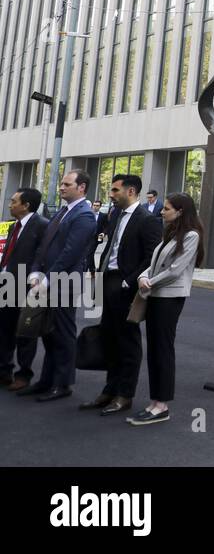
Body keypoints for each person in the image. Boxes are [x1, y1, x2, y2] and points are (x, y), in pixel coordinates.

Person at [82, 173, 162, 417]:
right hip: (108, 280)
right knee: (109, 336)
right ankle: (109, 389)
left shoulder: (147, 220)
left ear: (131, 191)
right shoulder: (115, 215)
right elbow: (109, 246)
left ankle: (124, 394)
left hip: (127, 285)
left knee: (127, 340)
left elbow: (152, 257)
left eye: (116, 190)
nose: (111, 195)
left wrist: (129, 281)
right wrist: (97, 269)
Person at [17, 170, 97, 402]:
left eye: (66, 184)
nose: (61, 187)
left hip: (64, 284)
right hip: (48, 280)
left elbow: (69, 253)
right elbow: (45, 245)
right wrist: (35, 271)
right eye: (61, 184)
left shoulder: (84, 215)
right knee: (48, 333)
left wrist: (46, 279)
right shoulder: (63, 211)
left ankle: (62, 384)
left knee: (63, 334)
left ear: (81, 187)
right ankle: (46, 380)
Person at [130, 193, 203, 425]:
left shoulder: (191, 236)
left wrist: (149, 282)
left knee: (162, 348)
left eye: (167, 209)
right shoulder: (170, 233)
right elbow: (153, 264)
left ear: (180, 211)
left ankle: (161, 405)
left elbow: (175, 270)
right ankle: (155, 402)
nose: (162, 211)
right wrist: (143, 276)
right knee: (154, 348)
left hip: (169, 298)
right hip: (155, 295)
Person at [0, 188, 45, 391]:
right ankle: (4, 370)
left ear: (26, 205)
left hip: (28, 287)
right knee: (4, 330)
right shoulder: (14, 226)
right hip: (6, 285)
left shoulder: (42, 226)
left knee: (26, 332)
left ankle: (24, 374)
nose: (10, 205)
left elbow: (42, 257)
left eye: (13, 201)